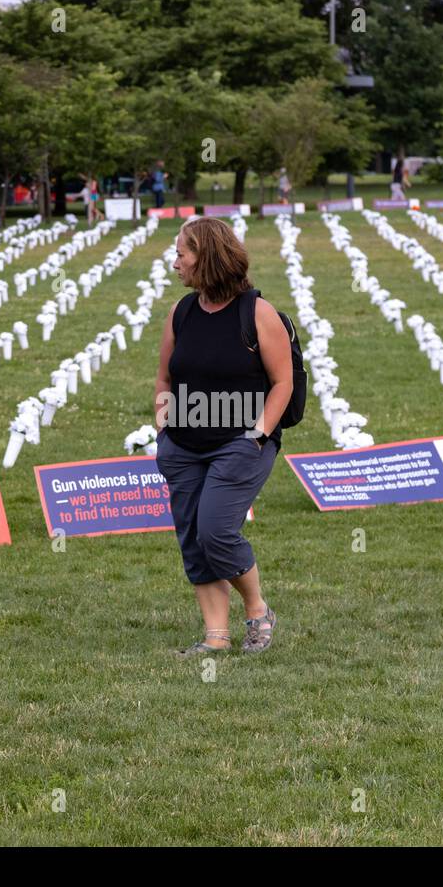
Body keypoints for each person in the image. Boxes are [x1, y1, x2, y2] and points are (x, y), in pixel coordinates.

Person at [154, 217, 293, 656]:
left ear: (206, 257)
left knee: (215, 530)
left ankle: (257, 610)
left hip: (241, 441)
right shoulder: (182, 312)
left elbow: (283, 383)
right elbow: (163, 378)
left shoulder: (257, 313)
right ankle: (215, 635)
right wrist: (163, 431)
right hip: (182, 445)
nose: (175, 262)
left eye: (182, 253)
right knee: (193, 539)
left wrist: (258, 434)